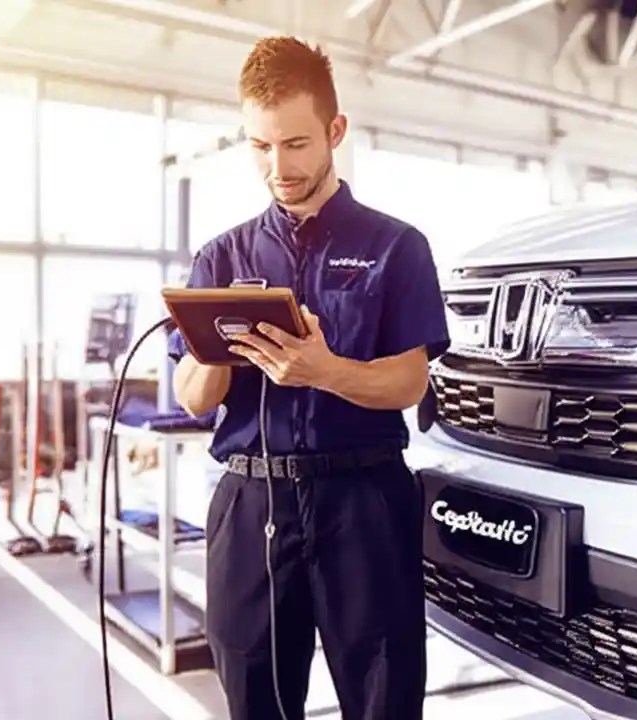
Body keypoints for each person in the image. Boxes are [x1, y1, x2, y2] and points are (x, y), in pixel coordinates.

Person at [167, 36, 449, 720]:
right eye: (261, 146)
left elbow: (409, 383)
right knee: (253, 696)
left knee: (383, 695)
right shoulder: (220, 256)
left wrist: (324, 371)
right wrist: (215, 343)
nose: (278, 165)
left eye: (295, 144)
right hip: (251, 502)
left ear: (335, 131)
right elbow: (192, 396)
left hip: (365, 501)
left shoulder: (395, 247)